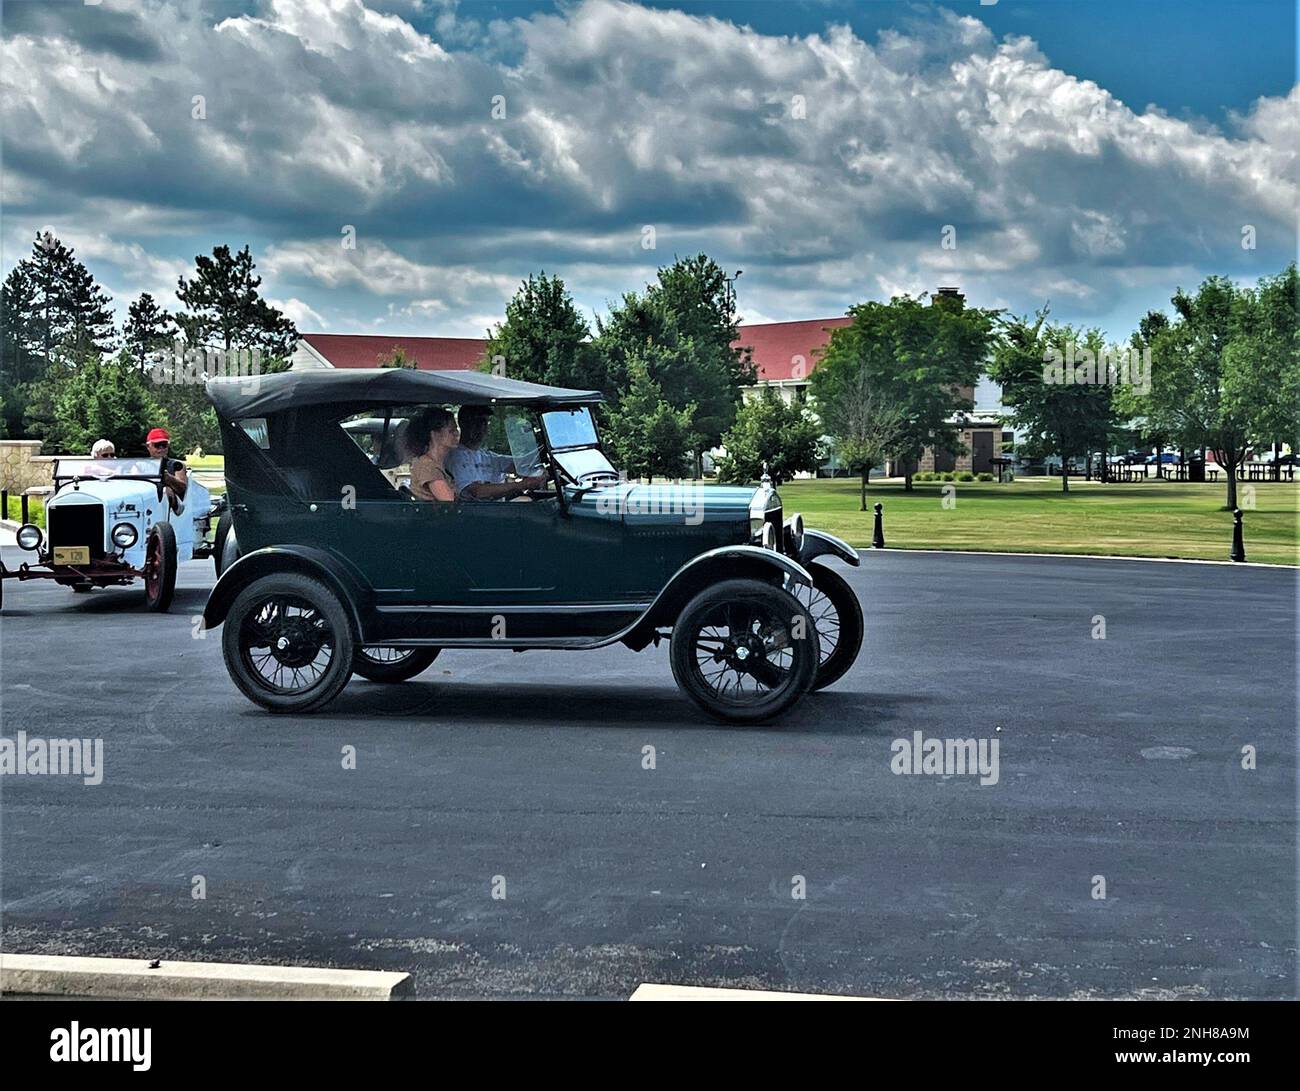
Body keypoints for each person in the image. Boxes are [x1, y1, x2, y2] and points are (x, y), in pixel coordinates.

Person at [446, 405, 547, 501]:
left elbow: (521, 464)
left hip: (497, 513)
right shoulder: (455, 457)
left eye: (484, 422)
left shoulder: (488, 457)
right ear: (462, 423)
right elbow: (476, 492)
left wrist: (542, 456)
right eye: (476, 422)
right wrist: (522, 485)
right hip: (473, 515)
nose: (481, 427)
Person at [406, 407, 459, 502]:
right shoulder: (427, 465)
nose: (456, 433)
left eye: (456, 429)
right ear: (434, 434)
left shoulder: (437, 464)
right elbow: (448, 500)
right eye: (451, 430)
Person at [145, 427, 188, 508]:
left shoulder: (176, 465)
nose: (161, 449)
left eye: (164, 445)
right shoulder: (141, 465)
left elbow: (182, 488)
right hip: (147, 502)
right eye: (157, 445)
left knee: (166, 491)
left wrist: (169, 478)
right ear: (148, 446)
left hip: (171, 509)